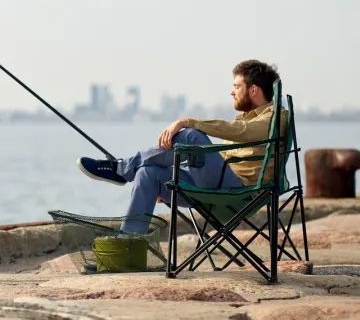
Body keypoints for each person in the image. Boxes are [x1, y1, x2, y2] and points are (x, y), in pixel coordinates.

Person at [78, 60, 283, 234]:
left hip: (239, 194)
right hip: (218, 186)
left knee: (191, 135)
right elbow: (220, 154)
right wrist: (171, 175)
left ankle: (121, 169)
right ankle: (128, 247)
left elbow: (242, 130)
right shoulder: (245, 120)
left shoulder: (276, 117)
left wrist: (187, 121)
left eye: (237, 86)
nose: (232, 92)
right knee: (148, 174)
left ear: (253, 90)